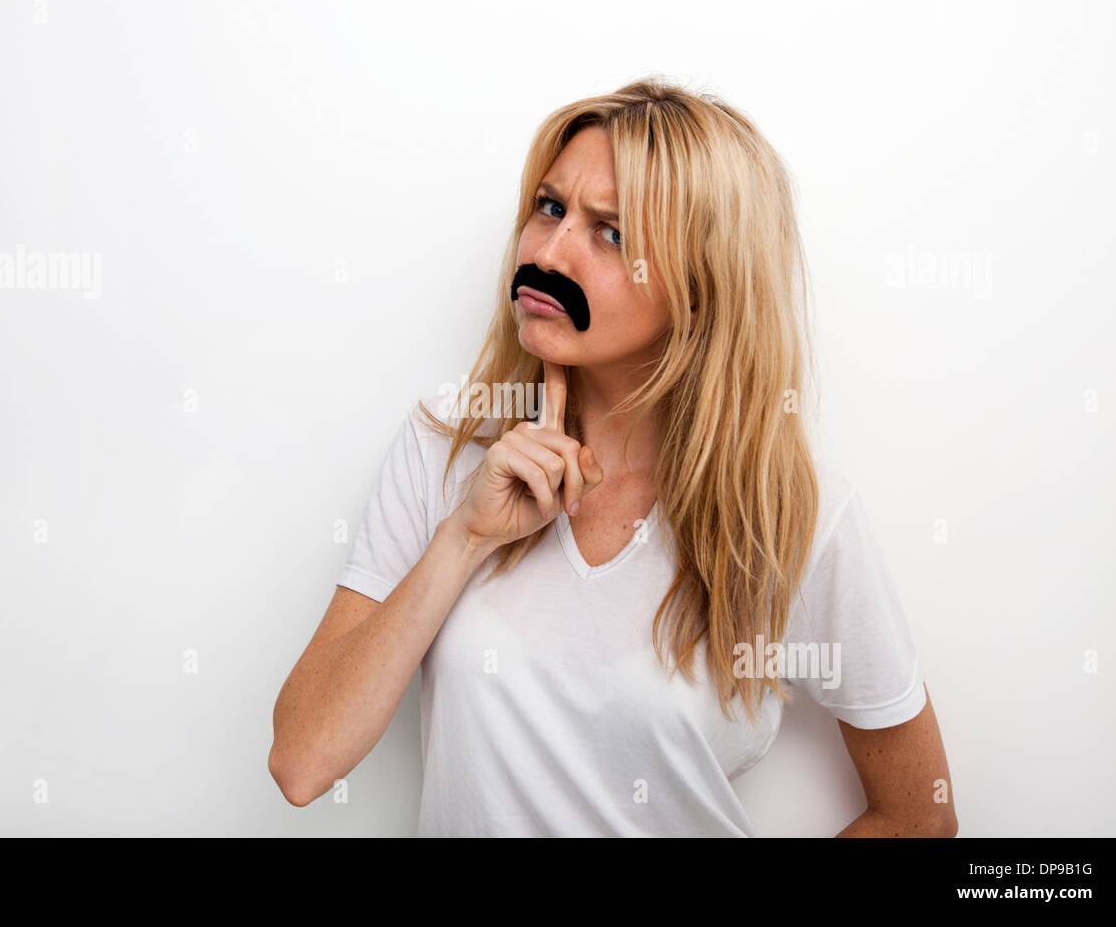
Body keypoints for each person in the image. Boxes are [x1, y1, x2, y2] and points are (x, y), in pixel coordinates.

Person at [268, 76, 958, 837]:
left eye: (612, 233)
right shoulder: (448, 449)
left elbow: (919, 817)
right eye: (551, 207)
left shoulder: (793, 518)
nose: (548, 252)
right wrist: (463, 540)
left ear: (700, 289)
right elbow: (302, 763)